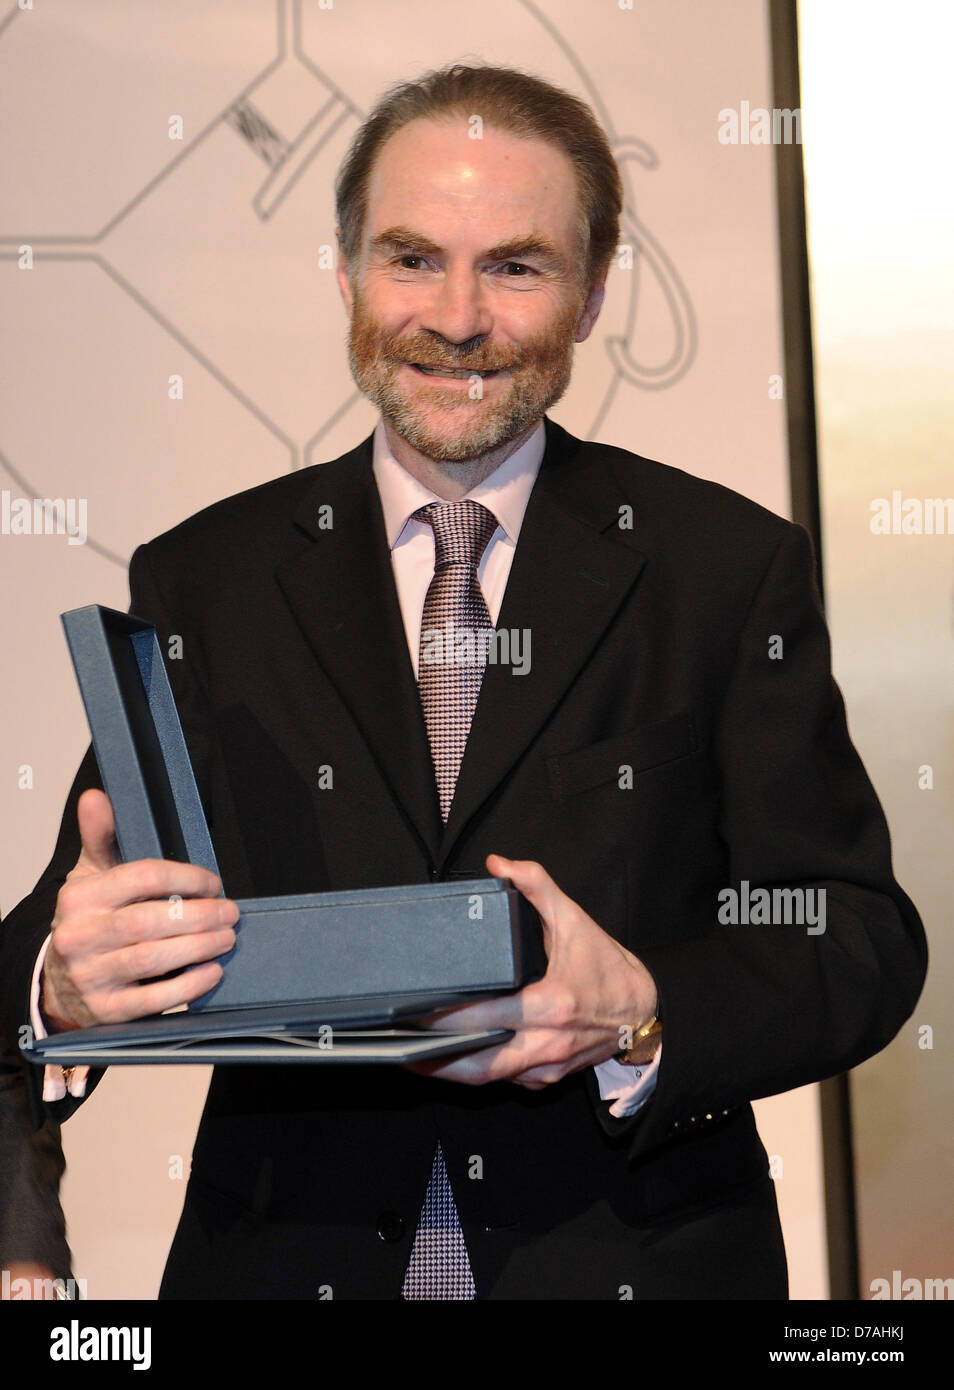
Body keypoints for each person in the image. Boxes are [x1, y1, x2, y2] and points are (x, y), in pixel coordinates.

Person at [0, 63, 926, 1300]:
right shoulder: (204, 579)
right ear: (345, 274)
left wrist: (644, 1013)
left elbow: (855, 933)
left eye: (518, 265)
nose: (457, 316)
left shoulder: (725, 568)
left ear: (595, 293)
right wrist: (61, 981)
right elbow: (87, 913)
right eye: (411, 259)